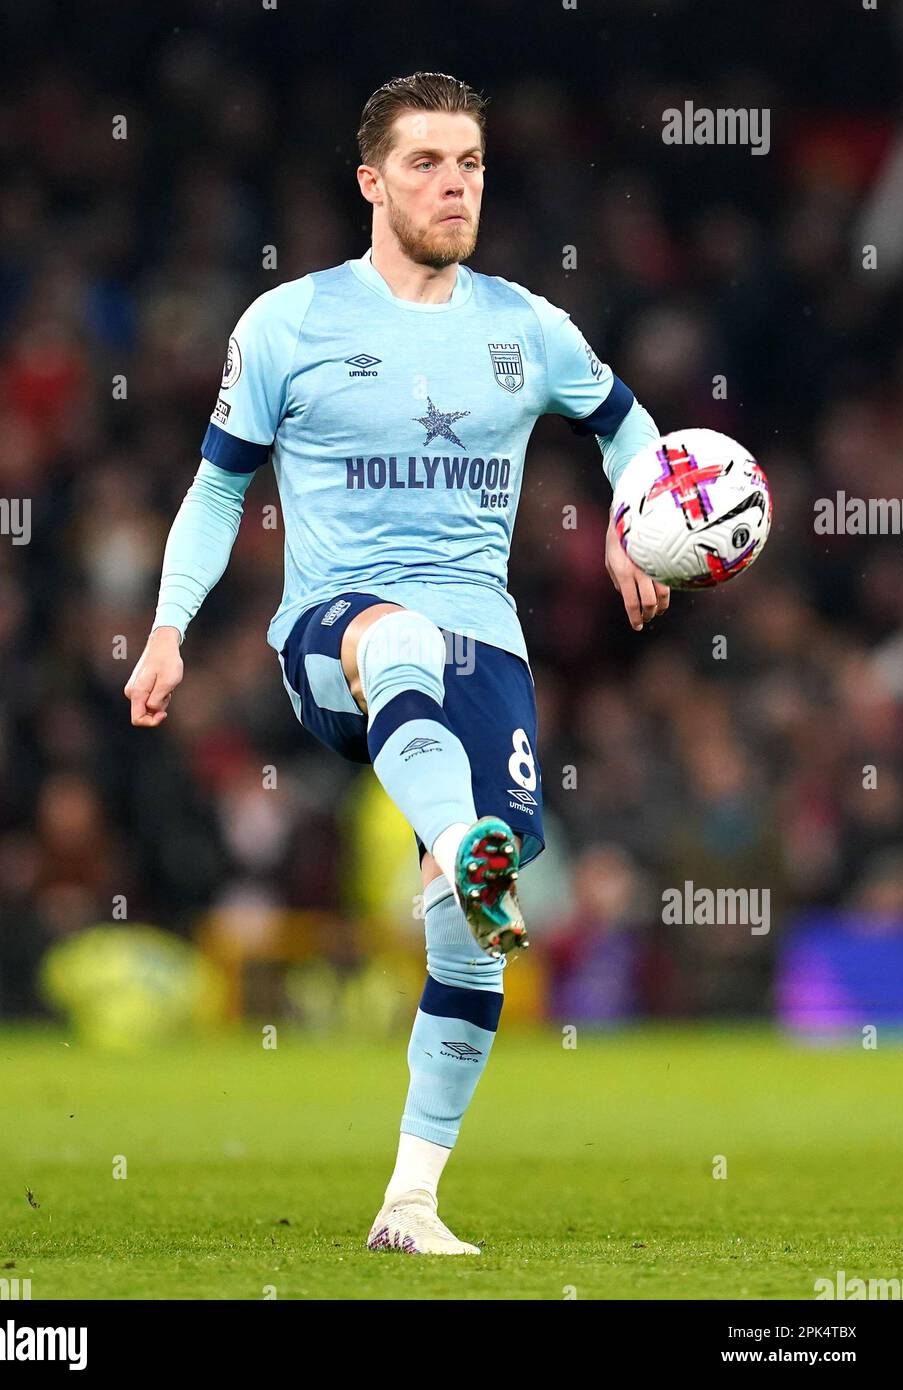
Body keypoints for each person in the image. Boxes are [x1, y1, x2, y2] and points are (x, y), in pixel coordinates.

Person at [125, 71, 668, 1255]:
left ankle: (409, 1204)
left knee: (468, 943)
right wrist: (167, 628)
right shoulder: (287, 324)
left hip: (489, 655)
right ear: (371, 182)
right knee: (398, 641)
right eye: (425, 163)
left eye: (469, 162)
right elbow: (218, 489)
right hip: (334, 636)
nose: (453, 183)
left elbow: (625, 422)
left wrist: (641, 516)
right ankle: (462, 839)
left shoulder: (526, 327)